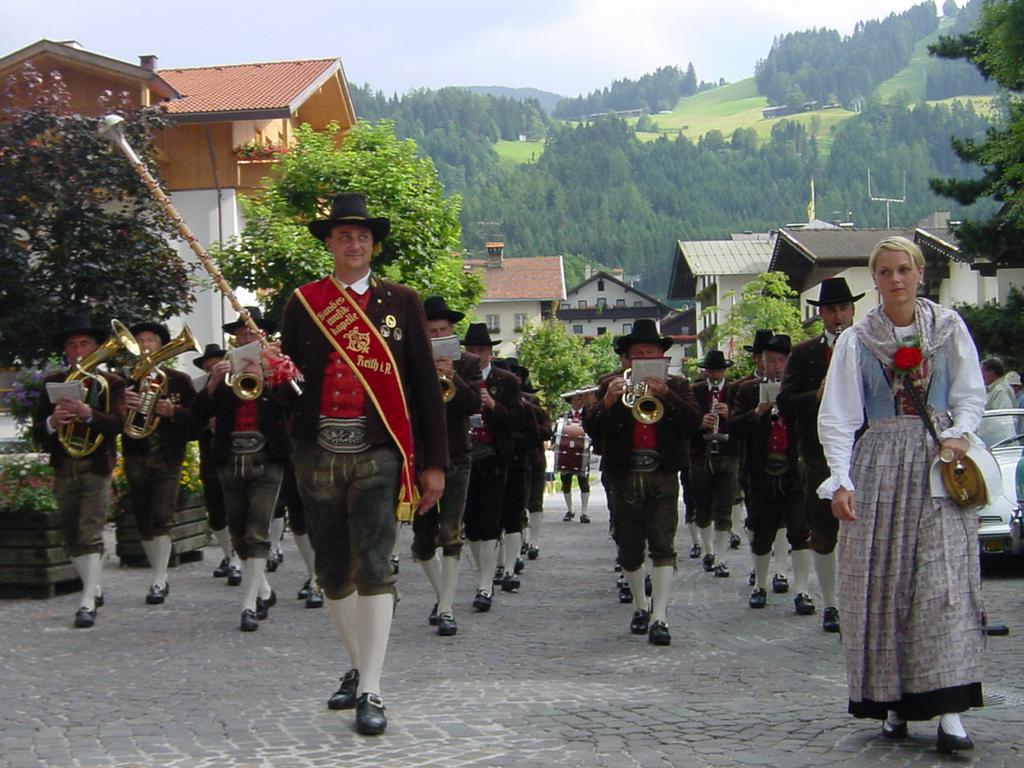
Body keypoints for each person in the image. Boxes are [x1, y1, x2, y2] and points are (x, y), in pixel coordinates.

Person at [281, 192, 447, 736]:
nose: (353, 243)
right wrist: (278, 375)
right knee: (332, 571)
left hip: (380, 454)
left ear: (374, 245)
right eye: (343, 235)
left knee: (375, 566)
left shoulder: (402, 301)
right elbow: (291, 391)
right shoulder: (303, 302)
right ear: (329, 243)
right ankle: (357, 664)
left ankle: (372, 689)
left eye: (362, 236)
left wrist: (434, 464)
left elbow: (424, 388)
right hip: (318, 455)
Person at [818, 236, 986, 754]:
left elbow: (969, 393)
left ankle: (950, 711)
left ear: (920, 273)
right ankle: (892, 699)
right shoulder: (857, 340)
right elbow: (841, 416)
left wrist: (959, 433)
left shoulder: (949, 328)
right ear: (876, 280)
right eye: (886, 271)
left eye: (905, 269)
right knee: (884, 583)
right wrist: (841, 480)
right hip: (882, 464)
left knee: (943, 583)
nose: (896, 279)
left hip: (937, 465)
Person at [583, 319, 700, 646]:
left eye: (651, 354)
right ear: (626, 360)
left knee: (663, 544)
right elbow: (592, 428)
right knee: (629, 546)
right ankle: (640, 605)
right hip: (624, 474)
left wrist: (667, 398)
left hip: (662, 473)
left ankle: (660, 616)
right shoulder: (609, 384)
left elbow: (693, 422)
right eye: (638, 355)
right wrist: (606, 403)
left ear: (662, 358)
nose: (644, 359)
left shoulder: (677, 385)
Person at [776, 277, 863, 634]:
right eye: (832, 310)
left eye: (844, 308)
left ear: (853, 310)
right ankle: (831, 604)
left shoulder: (868, 346)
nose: (839, 315)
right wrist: (818, 395)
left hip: (864, 451)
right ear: (822, 314)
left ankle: (860, 602)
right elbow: (785, 402)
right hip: (817, 456)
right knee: (824, 531)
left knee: (864, 532)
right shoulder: (804, 353)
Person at [192, 311, 288, 631]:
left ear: (263, 338)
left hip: (266, 459)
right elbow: (197, 418)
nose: (246, 340)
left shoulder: (279, 368)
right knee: (238, 532)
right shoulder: (224, 375)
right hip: (230, 459)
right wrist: (214, 383)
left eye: (251, 335)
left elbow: (294, 405)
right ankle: (262, 590)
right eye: (241, 336)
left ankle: (248, 604)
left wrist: (271, 375)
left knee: (256, 530)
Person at [33, 315, 127, 629]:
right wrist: (52, 422)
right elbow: (37, 431)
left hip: (97, 464)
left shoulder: (112, 383)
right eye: (72, 345)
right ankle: (93, 585)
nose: (77, 350)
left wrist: (88, 414)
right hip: (65, 464)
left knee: (90, 530)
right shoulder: (54, 383)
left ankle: (87, 600)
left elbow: (117, 425)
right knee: (70, 534)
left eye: (84, 344)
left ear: (97, 347)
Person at [412, 295, 482, 637]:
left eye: (442, 330)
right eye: (430, 332)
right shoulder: (409, 361)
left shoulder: (467, 363)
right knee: (423, 540)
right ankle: (443, 597)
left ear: (452, 332)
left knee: (450, 531)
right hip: (420, 456)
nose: (437, 336)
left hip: (457, 453)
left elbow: (472, 404)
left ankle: (447, 607)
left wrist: (453, 377)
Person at [728, 335, 814, 614]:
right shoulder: (749, 390)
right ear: (761, 362)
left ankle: (802, 590)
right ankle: (760, 585)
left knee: (801, 532)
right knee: (762, 531)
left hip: (794, 471)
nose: (774, 366)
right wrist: (757, 413)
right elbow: (733, 427)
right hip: (761, 472)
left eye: (779, 361)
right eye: (769, 361)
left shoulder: (798, 390)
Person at [122, 321, 197, 606]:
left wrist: (174, 411)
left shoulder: (177, 379)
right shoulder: (124, 380)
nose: (144, 345)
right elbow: (111, 422)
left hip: (168, 455)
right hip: (135, 454)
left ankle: (159, 577)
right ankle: (157, 572)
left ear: (162, 346)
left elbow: (197, 420)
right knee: (142, 517)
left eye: (150, 340)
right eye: (139, 340)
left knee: (162, 515)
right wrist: (122, 406)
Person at [460, 324, 522, 611]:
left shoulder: (506, 380)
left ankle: (485, 584)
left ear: (490, 352)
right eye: (471, 350)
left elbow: (518, 422)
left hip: (496, 457)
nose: (476, 354)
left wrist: (494, 405)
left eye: (481, 350)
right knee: (471, 525)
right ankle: (482, 572)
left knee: (490, 521)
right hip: (465, 455)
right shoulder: (458, 377)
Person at [192, 343, 241, 585]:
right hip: (210, 454)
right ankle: (227, 554)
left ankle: (237, 559)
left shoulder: (236, 382)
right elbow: (192, 419)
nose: (214, 368)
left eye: (217, 363)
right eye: (209, 366)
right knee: (216, 511)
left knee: (236, 507)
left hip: (232, 451)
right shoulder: (201, 386)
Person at [689, 349, 739, 577]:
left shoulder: (736, 390)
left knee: (724, 507)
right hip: (701, 453)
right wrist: (700, 423)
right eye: (711, 370)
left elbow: (745, 420)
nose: (715, 374)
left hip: (728, 453)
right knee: (702, 505)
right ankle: (708, 550)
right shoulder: (695, 391)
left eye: (719, 370)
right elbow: (686, 420)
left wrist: (730, 415)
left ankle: (721, 557)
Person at [557, 391, 592, 523]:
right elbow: (558, 433)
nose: (579, 402)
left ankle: (585, 512)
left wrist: (590, 444)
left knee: (584, 482)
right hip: (566, 454)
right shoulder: (563, 417)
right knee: (566, 482)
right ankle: (570, 510)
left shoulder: (588, 415)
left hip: (583, 452)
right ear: (571, 402)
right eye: (576, 399)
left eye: (580, 399)